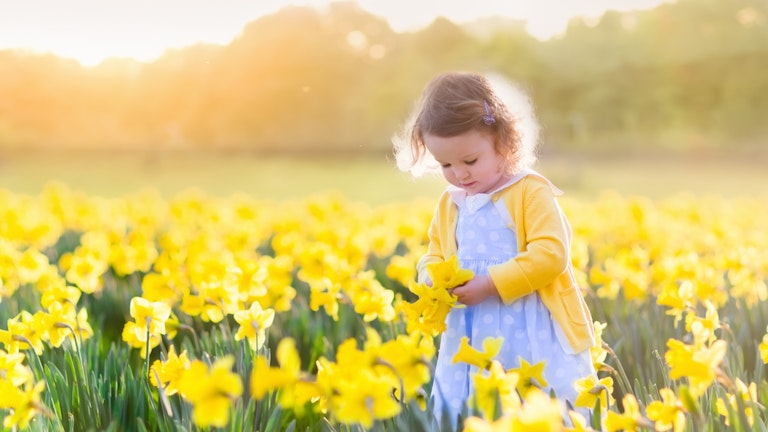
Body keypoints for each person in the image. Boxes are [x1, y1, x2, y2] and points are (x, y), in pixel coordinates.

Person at [393, 71, 596, 428]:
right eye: (445, 165)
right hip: (468, 331)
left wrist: (490, 285)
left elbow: (551, 255)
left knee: (536, 405)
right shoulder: (451, 202)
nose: (459, 174)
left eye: (470, 161)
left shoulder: (530, 191)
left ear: (504, 143)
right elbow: (436, 253)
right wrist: (430, 277)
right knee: (473, 409)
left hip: (531, 323)